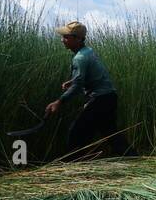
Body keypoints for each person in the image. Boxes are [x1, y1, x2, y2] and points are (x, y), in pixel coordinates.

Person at [44, 21, 128, 158]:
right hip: (109, 97)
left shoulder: (80, 58)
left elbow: (78, 86)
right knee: (111, 133)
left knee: (76, 133)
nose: (62, 40)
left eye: (66, 37)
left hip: (100, 99)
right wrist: (73, 81)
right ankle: (132, 157)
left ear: (77, 39)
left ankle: (75, 167)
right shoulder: (88, 51)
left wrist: (59, 102)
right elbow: (91, 74)